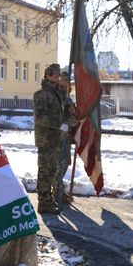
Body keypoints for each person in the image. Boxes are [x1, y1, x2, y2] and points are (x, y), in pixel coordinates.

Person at [32, 63, 79, 214]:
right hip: (47, 139)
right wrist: (60, 124)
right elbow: (41, 118)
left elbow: (66, 116)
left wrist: (72, 119)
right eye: (56, 75)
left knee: (55, 169)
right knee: (46, 171)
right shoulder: (42, 95)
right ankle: (44, 202)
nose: (59, 78)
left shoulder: (58, 95)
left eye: (60, 75)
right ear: (48, 76)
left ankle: (53, 196)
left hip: (57, 139)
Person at [57, 71, 80, 206]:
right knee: (59, 163)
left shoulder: (67, 98)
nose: (67, 83)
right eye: (64, 80)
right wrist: (74, 118)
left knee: (65, 162)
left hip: (66, 135)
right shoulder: (58, 97)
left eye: (68, 80)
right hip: (59, 136)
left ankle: (59, 189)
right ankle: (57, 191)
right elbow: (66, 118)